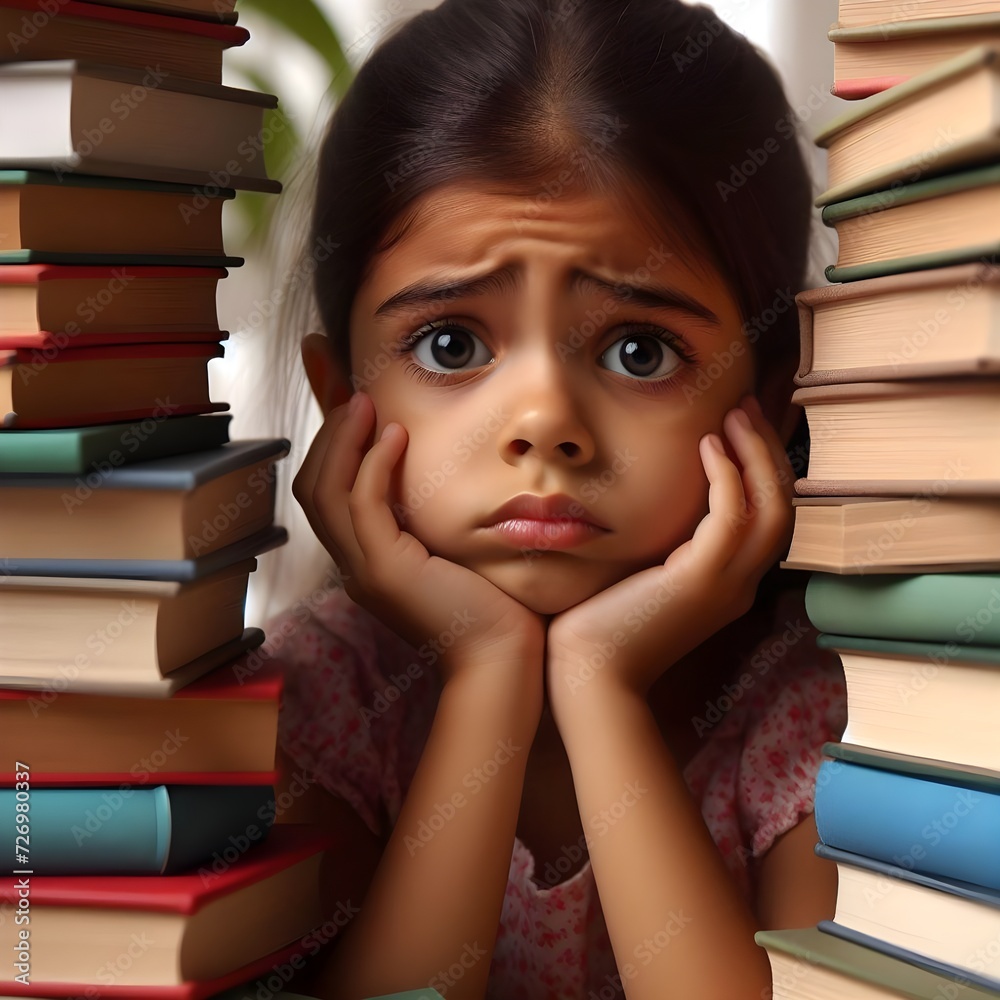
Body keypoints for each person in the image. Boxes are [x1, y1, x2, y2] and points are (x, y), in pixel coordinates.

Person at [264, 1, 846, 997]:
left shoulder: (809, 715)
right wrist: (489, 674)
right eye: (452, 344)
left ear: (765, 394)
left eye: (639, 349)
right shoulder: (322, 702)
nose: (543, 422)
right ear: (342, 398)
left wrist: (600, 686)